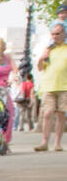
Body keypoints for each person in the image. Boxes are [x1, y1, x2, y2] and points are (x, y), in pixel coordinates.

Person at [35, 22, 67, 151]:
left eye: (57, 34)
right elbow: (40, 68)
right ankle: (44, 142)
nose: (54, 36)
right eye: (53, 34)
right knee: (47, 114)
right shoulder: (48, 49)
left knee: (60, 115)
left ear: (64, 34)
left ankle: (58, 143)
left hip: (64, 86)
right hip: (49, 85)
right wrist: (41, 58)